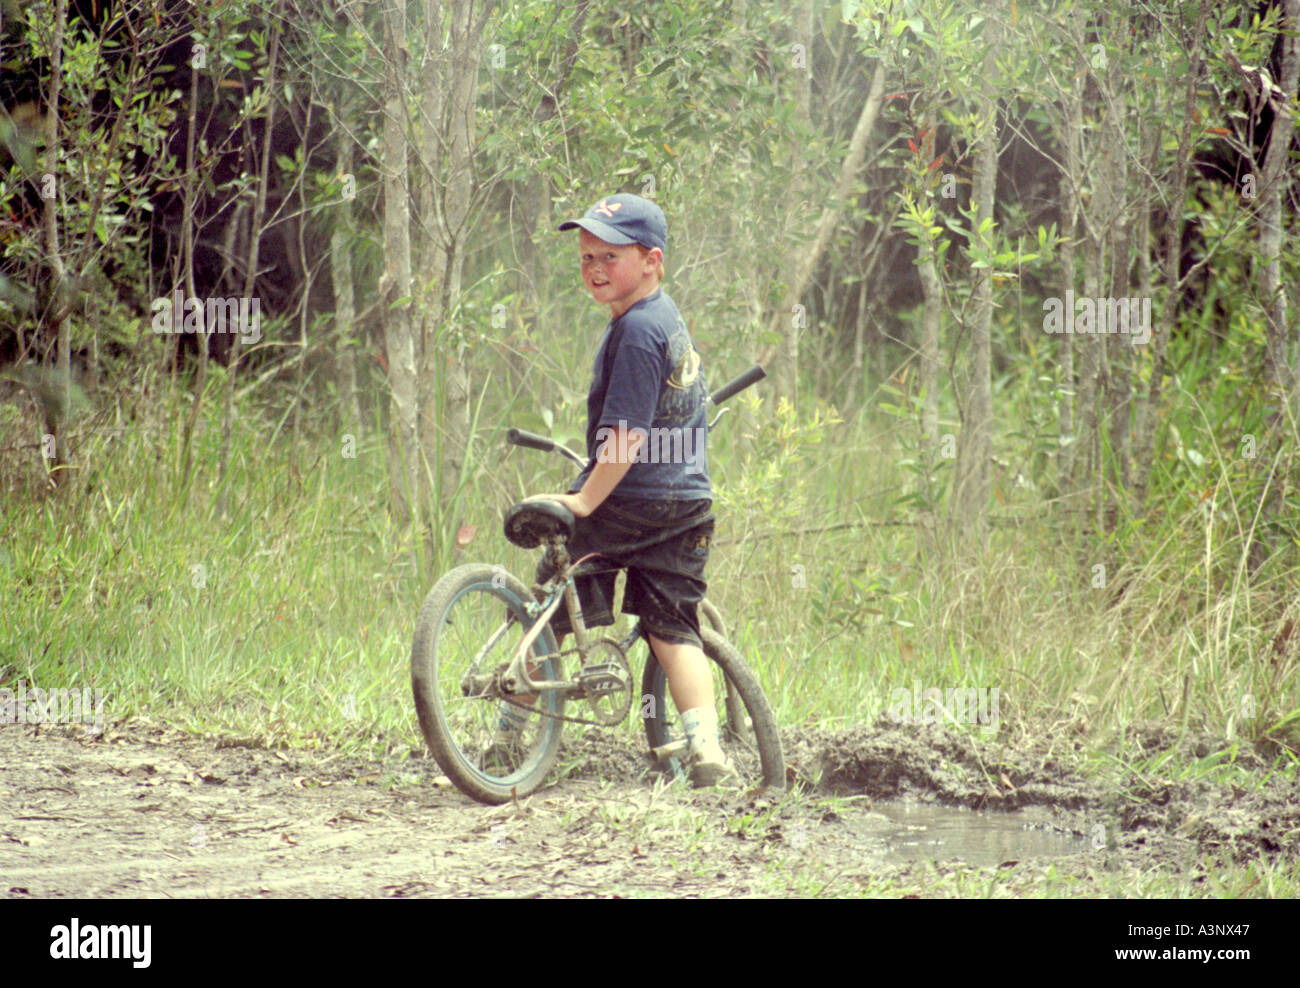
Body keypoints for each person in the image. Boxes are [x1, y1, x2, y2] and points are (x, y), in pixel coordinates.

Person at [498, 192, 734, 786]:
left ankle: (503, 739)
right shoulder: (667, 319)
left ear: (652, 260)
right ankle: (707, 751)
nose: (595, 269)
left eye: (610, 256)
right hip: (686, 505)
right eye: (585, 257)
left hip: (629, 500)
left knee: (549, 610)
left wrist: (582, 501)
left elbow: (625, 439)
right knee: (674, 626)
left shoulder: (634, 333)